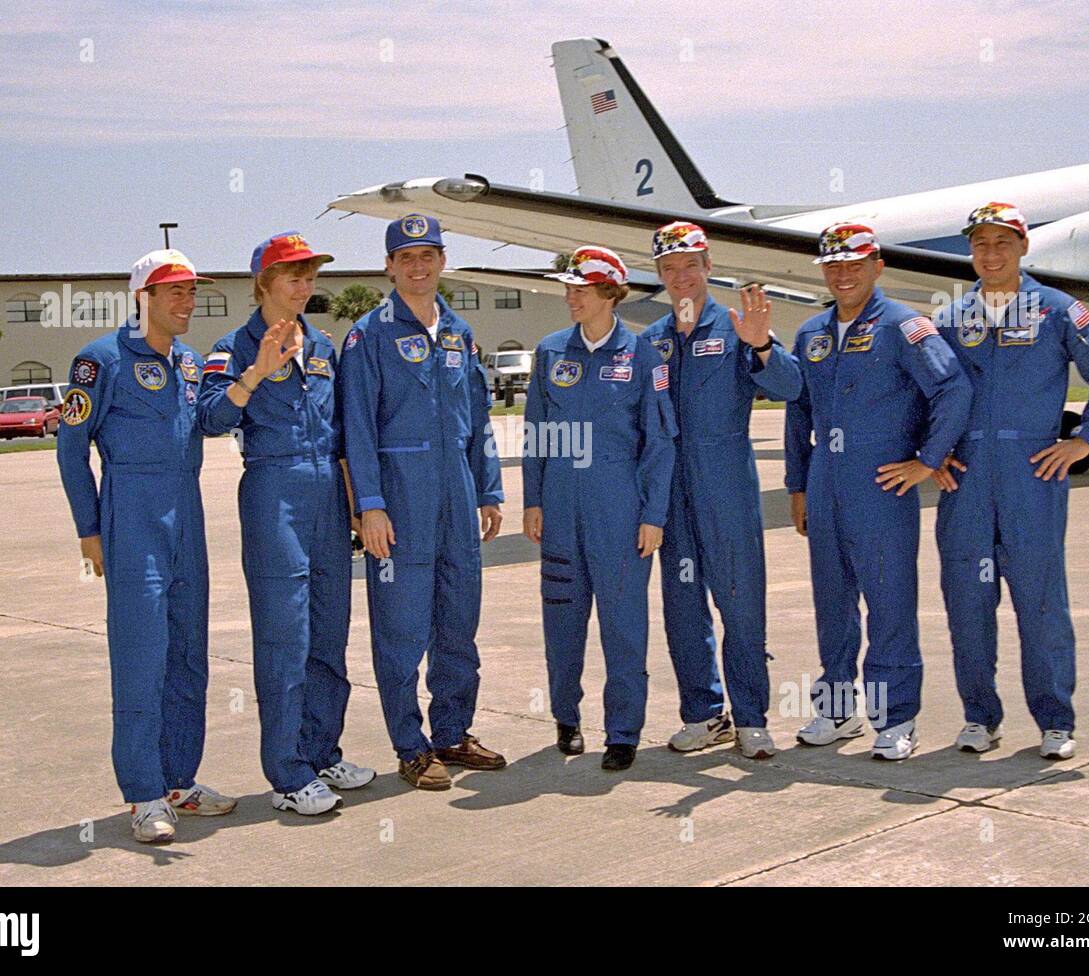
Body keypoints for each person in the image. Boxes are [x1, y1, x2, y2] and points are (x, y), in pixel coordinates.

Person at [932, 202, 1089, 760]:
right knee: (967, 602)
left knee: (1041, 602)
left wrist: (1083, 438)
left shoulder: (1059, 311)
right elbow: (921, 393)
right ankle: (979, 717)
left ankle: (1054, 720)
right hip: (966, 479)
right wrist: (932, 455)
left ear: (1023, 247)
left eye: (1002, 243)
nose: (990, 255)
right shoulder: (950, 319)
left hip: (1031, 474)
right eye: (980, 245)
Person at [57, 249, 235, 842]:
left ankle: (179, 781)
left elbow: (210, 421)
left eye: (191, 292)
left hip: (187, 510)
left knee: (189, 651)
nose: (187, 303)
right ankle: (142, 793)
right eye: (175, 292)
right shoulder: (100, 361)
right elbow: (70, 449)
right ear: (145, 298)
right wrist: (91, 530)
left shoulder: (187, 362)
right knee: (141, 657)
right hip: (131, 512)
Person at [198, 232, 375, 815]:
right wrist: (254, 374)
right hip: (274, 488)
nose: (304, 286)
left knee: (329, 630)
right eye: (292, 276)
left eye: (310, 275)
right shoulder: (232, 346)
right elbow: (210, 419)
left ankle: (322, 750)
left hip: (326, 489)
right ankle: (287, 771)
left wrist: (355, 503)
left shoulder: (323, 344)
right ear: (263, 284)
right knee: (284, 636)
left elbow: (346, 432)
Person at [784, 224, 972, 760]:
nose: (843, 274)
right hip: (825, 482)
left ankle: (895, 718)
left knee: (889, 601)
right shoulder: (811, 334)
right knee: (832, 601)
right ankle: (837, 709)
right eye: (834, 265)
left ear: (876, 267)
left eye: (854, 264)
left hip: (880, 481)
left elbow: (952, 388)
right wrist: (797, 484)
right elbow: (799, 412)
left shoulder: (904, 326)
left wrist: (927, 460)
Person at [339, 214, 506, 791]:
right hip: (400, 497)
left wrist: (488, 488)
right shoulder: (368, 335)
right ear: (389, 265)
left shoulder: (458, 332)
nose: (417, 265)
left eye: (427, 254)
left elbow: (478, 420)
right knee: (402, 629)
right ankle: (410, 746)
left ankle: (453, 733)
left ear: (442, 260)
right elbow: (356, 428)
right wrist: (371, 505)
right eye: (405, 257)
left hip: (457, 495)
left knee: (459, 621)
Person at [639, 222, 802, 759]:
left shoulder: (737, 329)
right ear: (660, 276)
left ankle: (752, 717)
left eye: (691, 266)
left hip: (725, 486)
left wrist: (761, 348)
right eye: (670, 269)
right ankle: (705, 715)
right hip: (670, 495)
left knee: (741, 604)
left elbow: (791, 387)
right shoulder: (650, 342)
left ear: (708, 268)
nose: (681, 277)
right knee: (683, 609)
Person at [522, 246, 677, 771]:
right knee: (562, 620)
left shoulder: (644, 356)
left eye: (580, 289)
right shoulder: (549, 352)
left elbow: (659, 442)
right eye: (568, 288)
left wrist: (654, 514)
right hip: (562, 507)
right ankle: (567, 720)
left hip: (620, 509)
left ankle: (623, 732)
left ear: (610, 292)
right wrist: (534, 499)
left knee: (624, 625)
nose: (571, 297)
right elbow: (537, 432)